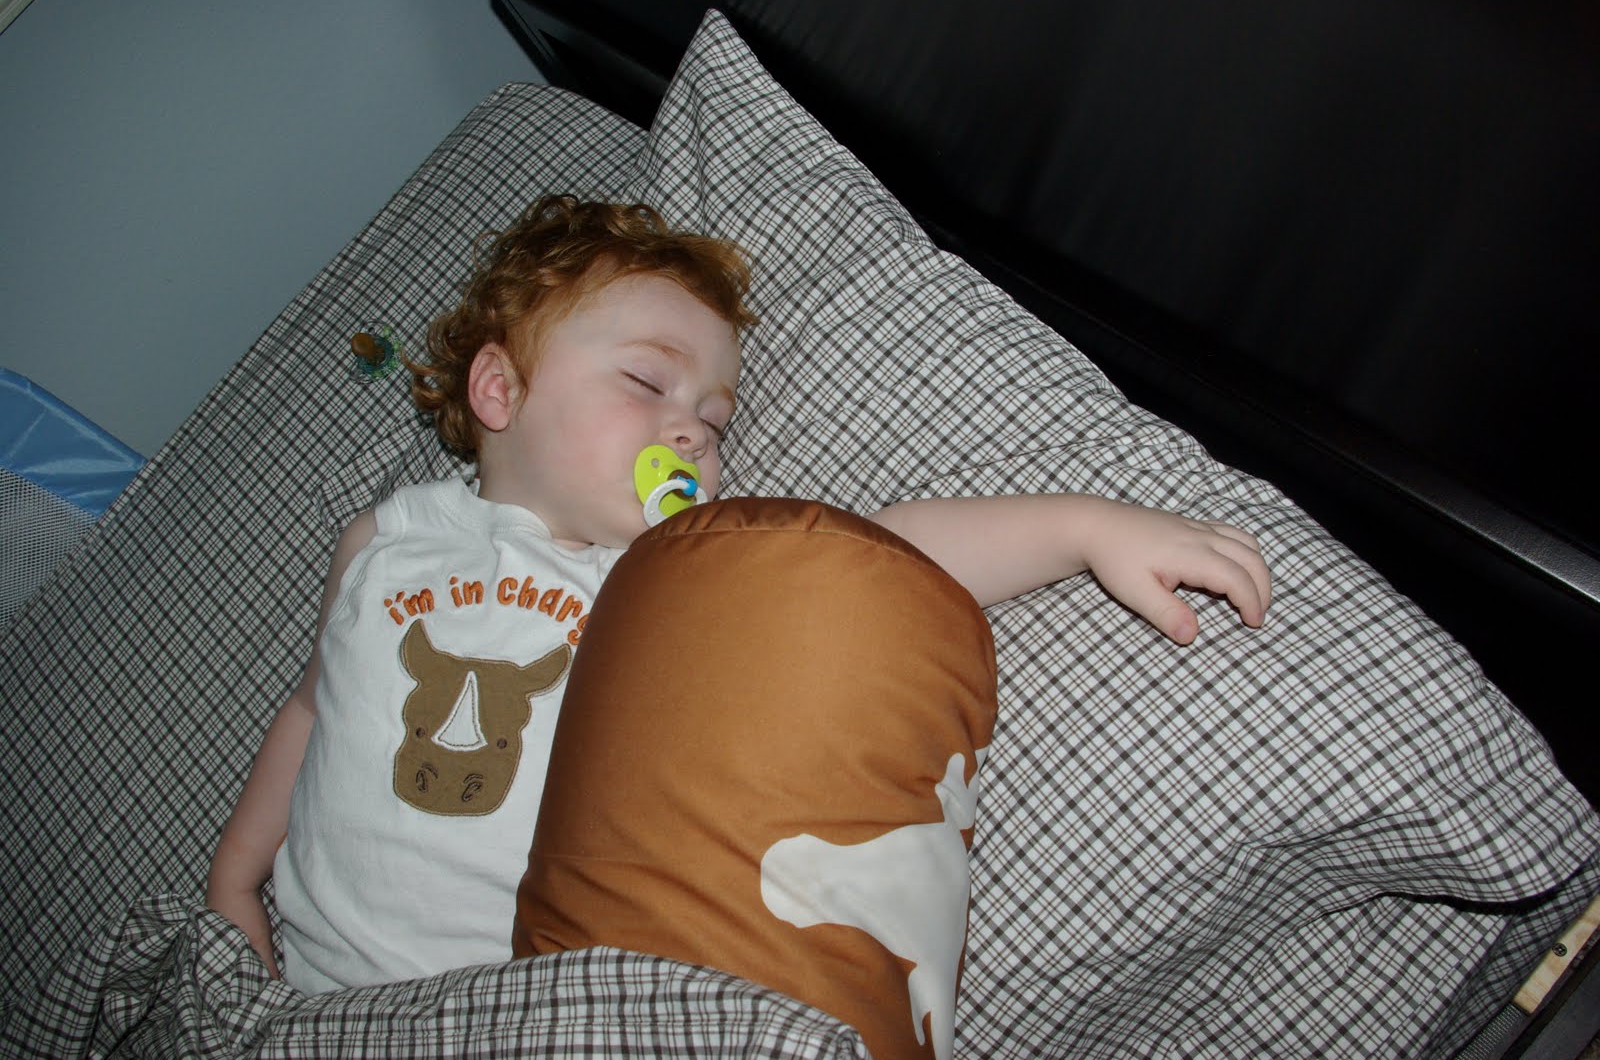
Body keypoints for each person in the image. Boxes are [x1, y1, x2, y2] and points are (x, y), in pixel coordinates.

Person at [206, 195, 1272, 992]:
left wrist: (1083, 528)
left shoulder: (672, 574)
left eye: (713, 421)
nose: (689, 431)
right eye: (646, 382)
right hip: (306, 999)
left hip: (515, 1001)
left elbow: (868, 561)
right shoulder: (382, 542)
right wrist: (234, 884)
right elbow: (314, 708)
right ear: (500, 389)